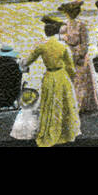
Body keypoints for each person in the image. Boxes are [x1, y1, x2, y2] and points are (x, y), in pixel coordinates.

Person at [21, 14, 80, 146]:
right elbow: (70, 66)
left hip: (49, 76)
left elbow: (28, 61)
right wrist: (73, 77)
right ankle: (65, 132)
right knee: (63, 103)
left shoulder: (42, 46)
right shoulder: (63, 47)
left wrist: (21, 63)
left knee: (49, 104)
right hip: (61, 76)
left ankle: (50, 130)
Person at [58, 1, 98, 115]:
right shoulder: (63, 26)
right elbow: (61, 41)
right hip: (68, 55)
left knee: (81, 81)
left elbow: (85, 42)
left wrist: (80, 54)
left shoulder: (81, 25)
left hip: (79, 56)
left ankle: (81, 106)